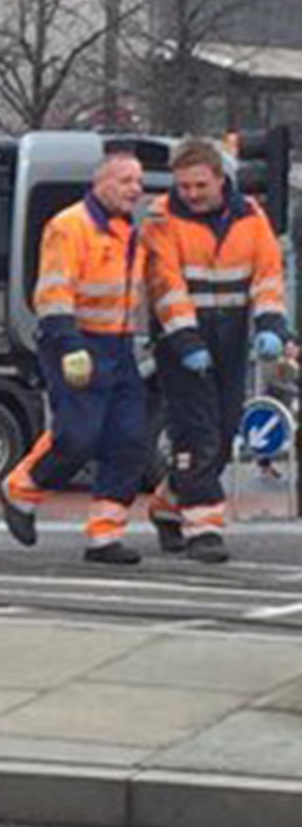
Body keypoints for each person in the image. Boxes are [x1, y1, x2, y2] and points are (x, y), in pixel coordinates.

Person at [141, 137, 287, 564]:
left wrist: (271, 325)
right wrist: (186, 341)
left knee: (224, 432)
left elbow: (267, 275)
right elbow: (165, 287)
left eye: (199, 186)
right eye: (183, 186)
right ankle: (204, 527)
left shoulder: (250, 217)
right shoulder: (161, 219)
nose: (190, 194)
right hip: (180, 340)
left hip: (231, 335)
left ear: (220, 181)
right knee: (195, 430)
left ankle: (170, 501)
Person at [0, 151, 150, 563]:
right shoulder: (70, 226)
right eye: (126, 181)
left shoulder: (129, 231)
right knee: (78, 436)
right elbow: (53, 290)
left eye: (138, 181)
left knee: (129, 439)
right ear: (100, 183)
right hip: (75, 339)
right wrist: (70, 345)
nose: (136, 189)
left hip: (118, 344)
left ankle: (105, 537)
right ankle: (21, 489)